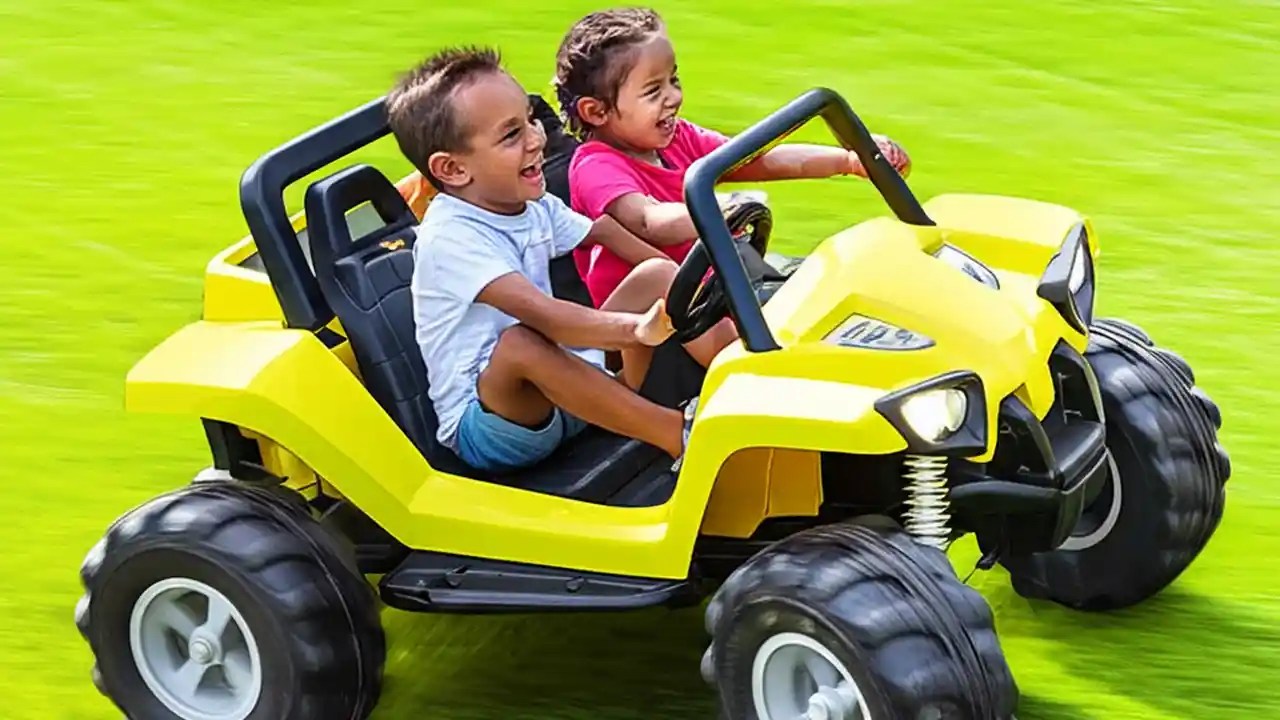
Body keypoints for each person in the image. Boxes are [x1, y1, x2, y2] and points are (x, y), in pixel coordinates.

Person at [385, 46, 722, 474]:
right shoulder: (451, 238)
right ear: (452, 170)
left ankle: (743, 371)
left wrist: (692, 280)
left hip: (568, 393)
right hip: (494, 427)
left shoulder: (532, 204)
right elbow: (548, 319)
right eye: (511, 135)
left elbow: (609, 235)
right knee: (519, 343)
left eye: (530, 120)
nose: (537, 138)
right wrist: (635, 329)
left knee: (656, 273)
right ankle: (677, 435)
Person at [553, 7, 913, 308]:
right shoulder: (595, 165)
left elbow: (756, 159)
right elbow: (648, 220)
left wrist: (848, 161)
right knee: (752, 340)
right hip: (649, 319)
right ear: (596, 112)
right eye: (652, 91)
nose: (673, 97)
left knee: (830, 288)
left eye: (673, 80)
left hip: (712, 284)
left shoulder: (678, 138)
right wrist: (718, 209)